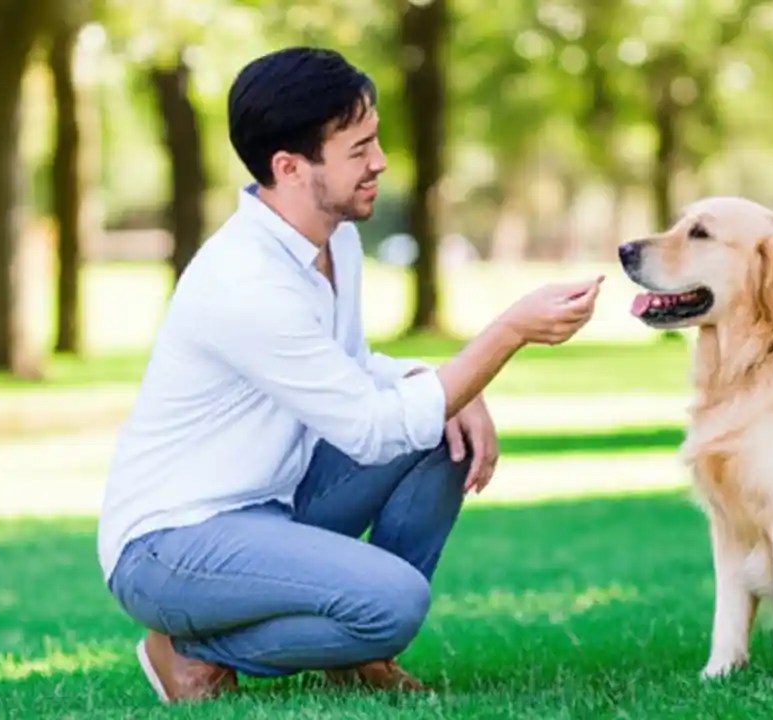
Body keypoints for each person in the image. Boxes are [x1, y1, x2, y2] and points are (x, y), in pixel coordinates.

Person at [95, 46, 604, 704]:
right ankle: (189, 647)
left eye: (377, 141)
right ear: (289, 167)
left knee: (439, 434)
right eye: (359, 148)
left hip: (273, 503)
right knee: (395, 603)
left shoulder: (332, 239)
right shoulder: (246, 281)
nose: (381, 162)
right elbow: (369, 430)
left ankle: (356, 657)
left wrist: (439, 379)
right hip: (174, 542)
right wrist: (506, 335)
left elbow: (350, 371)